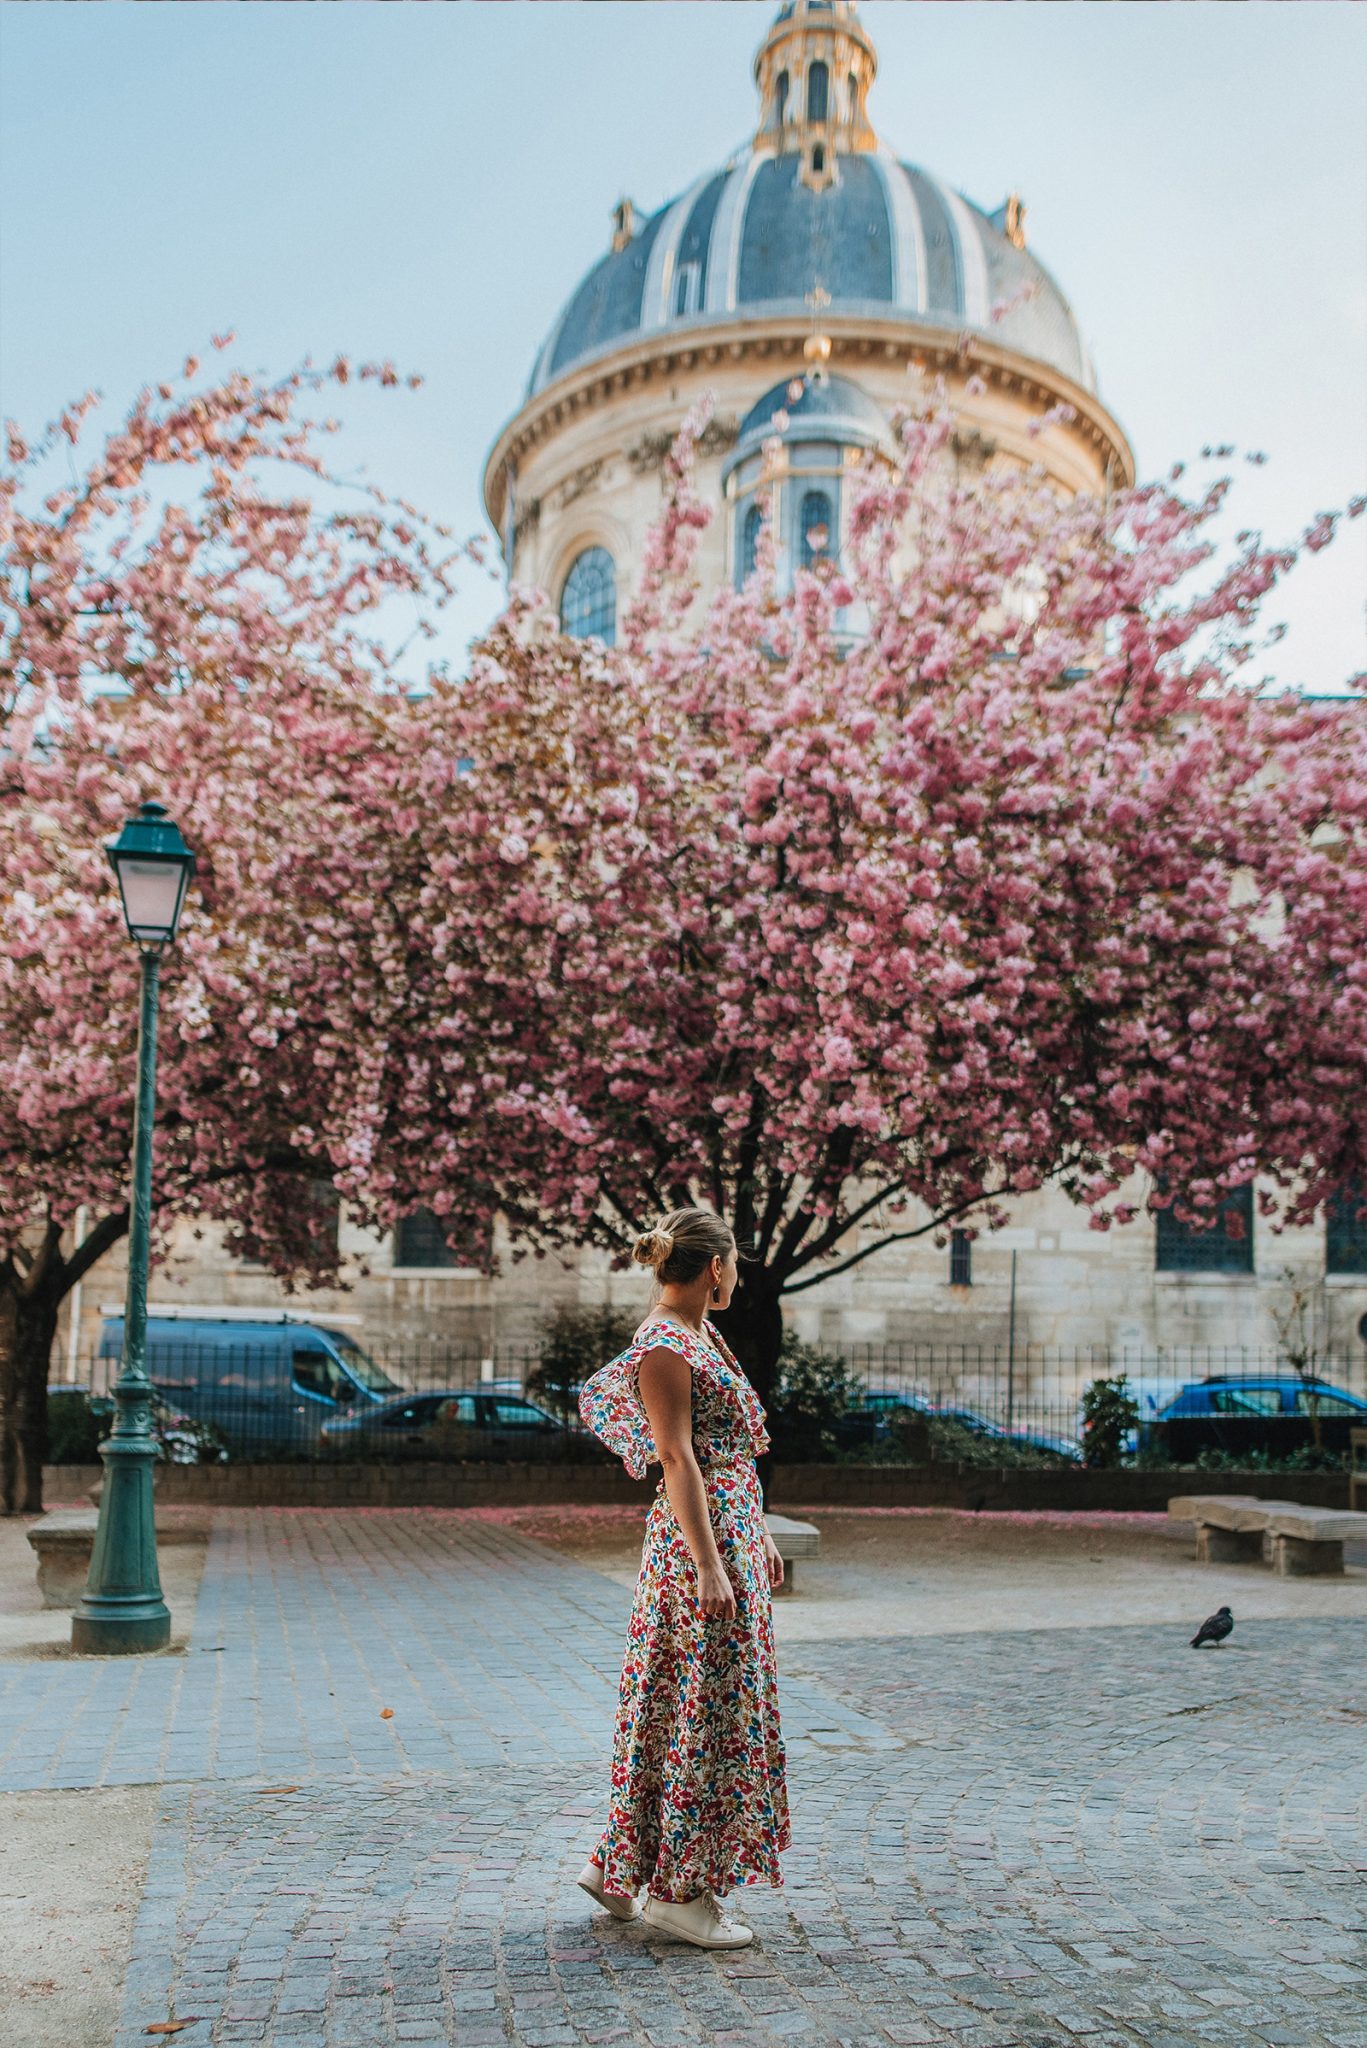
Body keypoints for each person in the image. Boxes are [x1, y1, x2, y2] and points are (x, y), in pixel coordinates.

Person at [575, 1206, 790, 1950]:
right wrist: (708, 1563)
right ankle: (682, 1896)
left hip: (724, 1532)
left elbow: (721, 1450)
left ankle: (618, 1866)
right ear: (715, 1267)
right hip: (697, 1544)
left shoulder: (699, 1334)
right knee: (704, 1707)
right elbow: (676, 1459)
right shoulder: (664, 1343)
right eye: (735, 1263)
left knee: (675, 1699)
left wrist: (754, 1529)